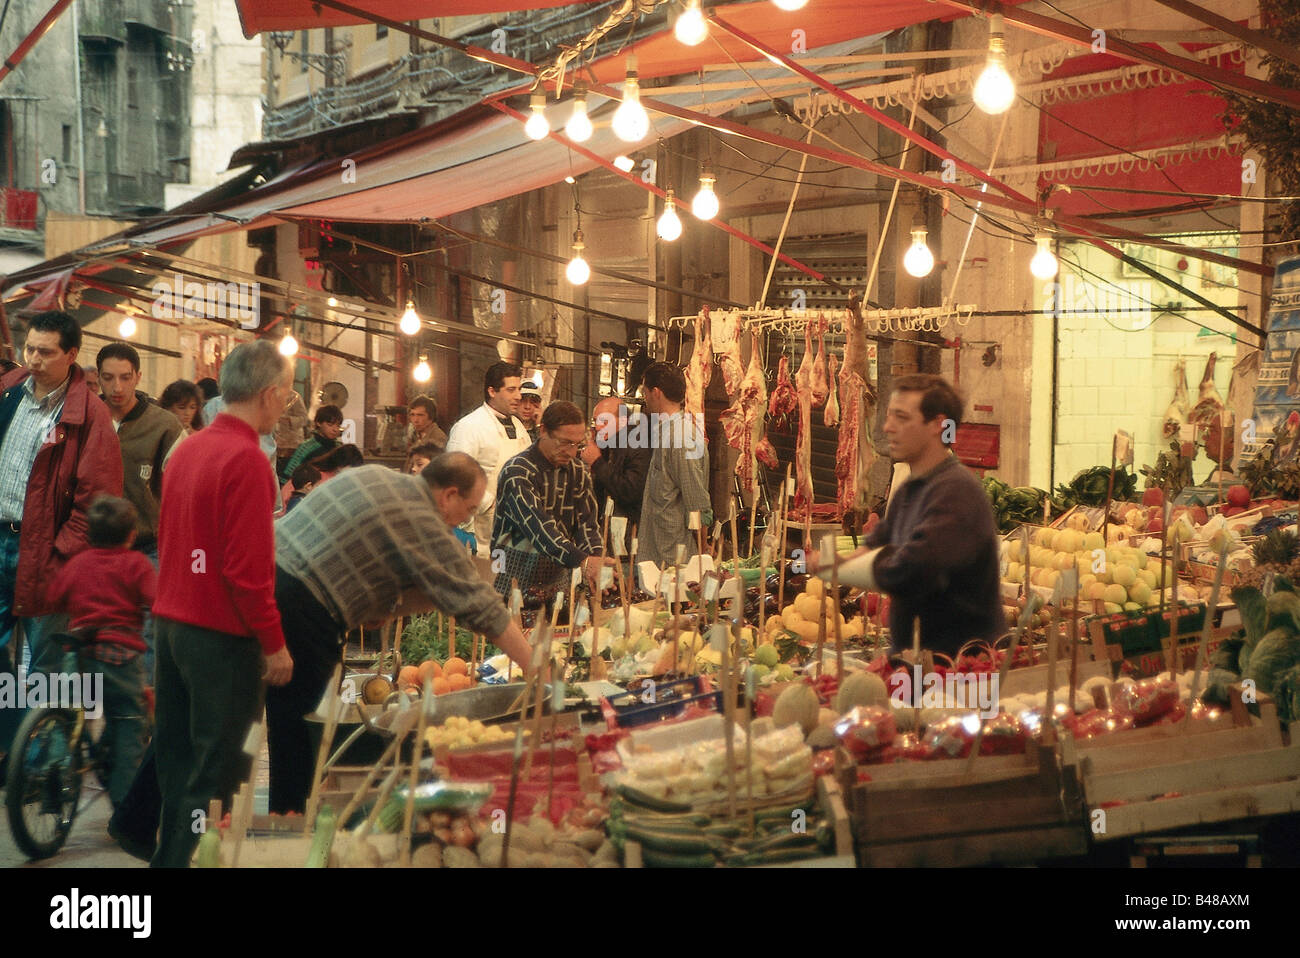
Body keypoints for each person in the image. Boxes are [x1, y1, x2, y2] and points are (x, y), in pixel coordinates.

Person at [267, 453, 533, 813]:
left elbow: (410, 584)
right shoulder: (421, 517)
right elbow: (483, 607)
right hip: (302, 604)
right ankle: (291, 829)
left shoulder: (382, 478)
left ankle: (287, 819)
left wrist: (383, 604)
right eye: (468, 510)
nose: (466, 520)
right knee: (304, 734)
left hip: (267, 582)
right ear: (449, 495)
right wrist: (538, 669)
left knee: (285, 729)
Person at [150, 338, 294, 868]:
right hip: (220, 637)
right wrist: (274, 644)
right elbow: (247, 571)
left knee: (178, 768)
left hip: (171, 628)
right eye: (288, 395)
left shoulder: (187, 448)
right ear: (270, 393)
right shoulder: (248, 460)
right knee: (216, 779)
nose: (286, 405)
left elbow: (175, 543)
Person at [823, 374, 1001, 658]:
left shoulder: (956, 492)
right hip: (916, 664)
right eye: (890, 416)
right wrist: (832, 563)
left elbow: (911, 571)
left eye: (902, 418)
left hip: (959, 673)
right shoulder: (909, 490)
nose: (887, 427)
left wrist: (833, 570)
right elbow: (877, 544)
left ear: (937, 425)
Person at [0, 311, 122, 689]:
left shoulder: (89, 416)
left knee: (48, 672)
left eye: (46, 352)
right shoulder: (8, 390)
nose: (34, 359)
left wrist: (59, 551)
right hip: (1, 537)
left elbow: (97, 501)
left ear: (71, 355)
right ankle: (10, 741)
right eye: (30, 349)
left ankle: (48, 748)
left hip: (47, 554)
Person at [47, 495, 154, 809]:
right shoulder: (136, 564)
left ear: (90, 533)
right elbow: (157, 601)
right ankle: (123, 811)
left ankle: (51, 781)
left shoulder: (78, 562)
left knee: (66, 716)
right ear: (132, 535)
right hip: (121, 658)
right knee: (129, 721)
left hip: (79, 655)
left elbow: (54, 597)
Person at [492, 400, 613, 597]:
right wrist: (585, 562)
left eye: (577, 444)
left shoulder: (578, 471)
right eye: (564, 443)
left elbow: (587, 525)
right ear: (543, 431)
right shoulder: (517, 472)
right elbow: (539, 529)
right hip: (510, 579)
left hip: (557, 581)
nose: (571, 452)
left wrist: (595, 560)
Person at [96, 343, 184, 563]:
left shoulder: (165, 426)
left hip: (148, 546)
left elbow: (187, 487)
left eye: (125, 377)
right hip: (92, 545)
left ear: (138, 377)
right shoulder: (85, 418)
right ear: (98, 378)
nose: (117, 387)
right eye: (108, 378)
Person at [446, 361, 531, 552]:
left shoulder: (519, 427)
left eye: (519, 389)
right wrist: (488, 504)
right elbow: (454, 474)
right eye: (511, 390)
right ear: (492, 391)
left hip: (515, 531)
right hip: (479, 531)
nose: (518, 396)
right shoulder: (469, 426)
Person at [637, 362, 712, 568]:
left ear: (656, 393)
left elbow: (697, 504)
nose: (645, 398)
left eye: (645, 392)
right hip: (658, 555)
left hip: (674, 562)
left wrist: (702, 557)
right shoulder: (667, 433)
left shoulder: (681, 437)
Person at [582, 397, 651, 554]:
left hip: (629, 537)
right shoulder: (609, 444)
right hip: (607, 534)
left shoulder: (638, 443)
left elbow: (630, 491)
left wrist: (597, 462)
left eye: (604, 421)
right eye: (595, 421)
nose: (598, 427)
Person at [279, 403, 343, 483]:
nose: (335, 429)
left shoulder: (339, 448)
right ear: (318, 423)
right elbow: (288, 477)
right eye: (330, 425)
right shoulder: (306, 447)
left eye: (338, 426)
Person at [274, 388, 311, 478]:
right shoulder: (269, 395)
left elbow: (304, 419)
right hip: (275, 444)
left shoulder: (294, 396)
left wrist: (288, 420)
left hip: (292, 444)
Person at [405, 394, 448, 458]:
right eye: (412, 415)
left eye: (420, 415)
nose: (415, 420)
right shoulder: (414, 435)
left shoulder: (438, 438)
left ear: (431, 417)